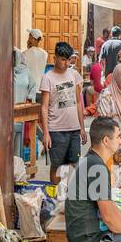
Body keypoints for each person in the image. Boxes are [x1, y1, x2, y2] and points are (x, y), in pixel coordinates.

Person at [39, 42, 87, 188]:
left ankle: (69, 195)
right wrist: (46, 133)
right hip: (56, 130)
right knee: (57, 165)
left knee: (74, 163)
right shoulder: (48, 78)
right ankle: (55, 196)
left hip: (73, 129)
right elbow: (44, 107)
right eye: (63, 59)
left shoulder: (74, 75)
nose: (66, 63)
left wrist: (82, 128)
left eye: (68, 60)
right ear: (55, 58)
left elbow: (79, 102)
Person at [22, 29, 47, 103]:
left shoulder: (24, 54)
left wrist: (28, 47)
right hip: (41, 89)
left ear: (32, 38)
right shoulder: (45, 54)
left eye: (29, 37)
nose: (28, 39)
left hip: (29, 90)